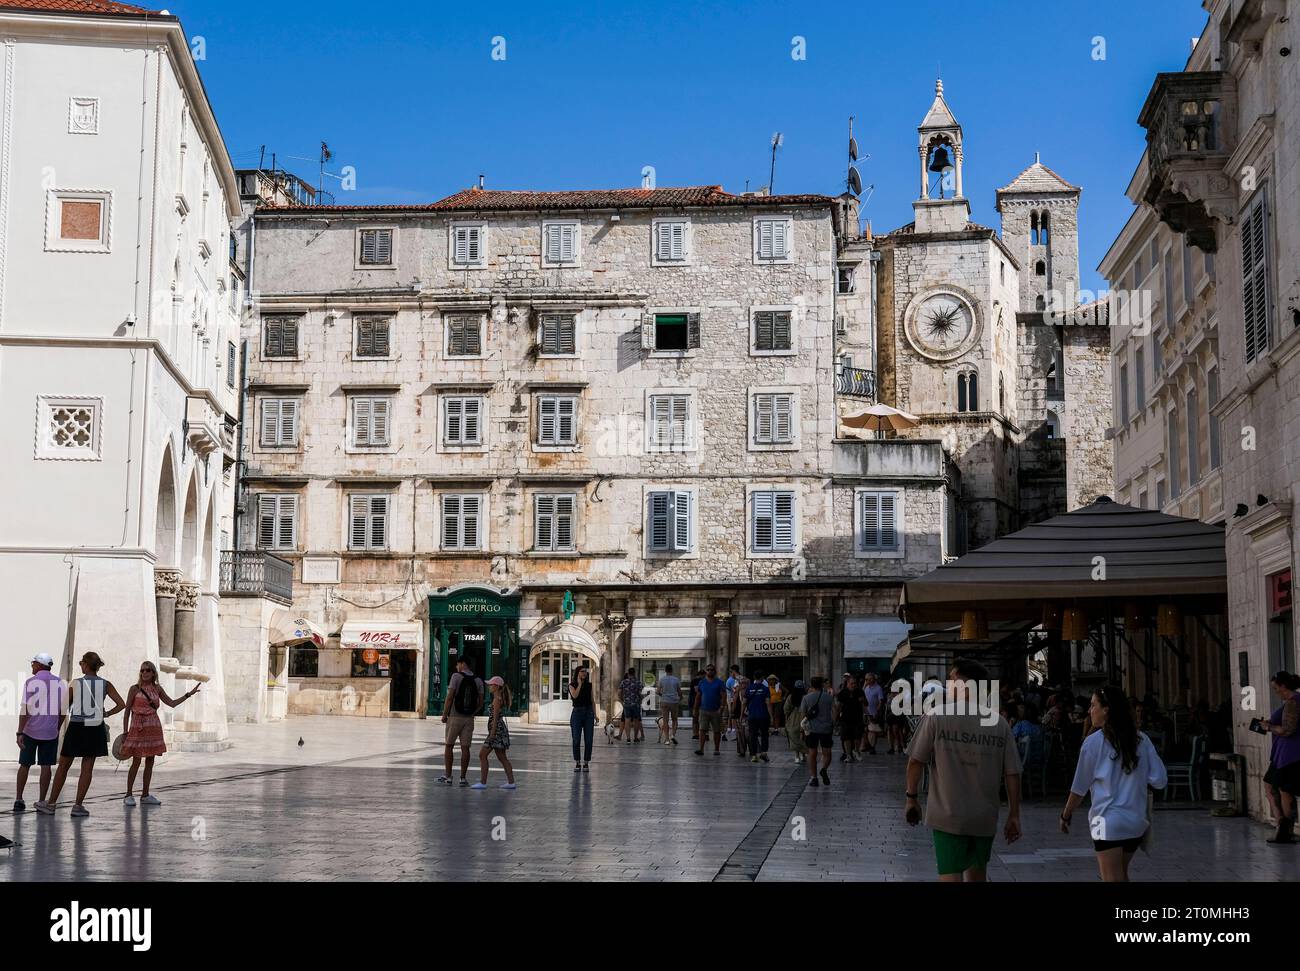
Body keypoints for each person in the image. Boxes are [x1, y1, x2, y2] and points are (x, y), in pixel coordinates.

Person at [905, 659, 1022, 882]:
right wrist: (1014, 814)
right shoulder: (999, 723)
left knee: (950, 876)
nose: (948, 683)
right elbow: (1012, 774)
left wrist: (911, 799)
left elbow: (915, 761)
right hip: (984, 817)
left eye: (951, 678)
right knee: (977, 877)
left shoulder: (936, 716)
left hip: (948, 815)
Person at [1060, 687, 1167, 881]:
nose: (1089, 710)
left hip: (1105, 822)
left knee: (1111, 878)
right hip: (1135, 823)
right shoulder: (1142, 740)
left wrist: (1066, 814)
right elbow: (1159, 780)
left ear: (1106, 710)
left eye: (1093, 705)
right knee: (1121, 875)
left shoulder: (1093, 743)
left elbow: (1079, 787)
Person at [42, 652, 126, 817]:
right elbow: (121, 704)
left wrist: (57, 728)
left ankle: (51, 803)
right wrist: (106, 714)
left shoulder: (76, 683)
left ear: (86, 665)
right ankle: (78, 805)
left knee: (64, 766)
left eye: (81, 662)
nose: (80, 665)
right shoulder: (105, 684)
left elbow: (64, 708)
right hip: (95, 727)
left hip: (77, 727)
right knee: (87, 768)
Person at [122, 660, 200, 807]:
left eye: (148, 670)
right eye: (142, 670)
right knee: (136, 761)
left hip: (153, 727)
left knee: (150, 761)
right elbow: (127, 712)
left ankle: (145, 794)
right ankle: (128, 794)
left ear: (153, 673)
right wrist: (125, 731)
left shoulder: (157, 689)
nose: (144, 673)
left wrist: (189, 694)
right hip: (137, 727)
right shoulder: (134, 689)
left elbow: (172, 703)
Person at [15, 652, 67, 814]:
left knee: (25, 764)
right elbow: (63, 710)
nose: (32, 665)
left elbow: (25, 709)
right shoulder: (60, 683)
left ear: (39, 665)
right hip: (50, 732)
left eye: (33, 663)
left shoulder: (31, 682)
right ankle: (42, 800)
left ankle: (19, 799)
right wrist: (57, 727)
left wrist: (20, 732)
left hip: (30, 730)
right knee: (46, 766)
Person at [1261, 671, 1300, 844]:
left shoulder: (1293, 702)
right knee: (1271, 785)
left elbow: (1287, 729)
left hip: (1289, 754)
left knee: (1285, 790)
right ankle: (1282, 826)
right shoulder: (1290, 702)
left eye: (1276, 687)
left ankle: (1285, 830)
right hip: (1282, 753)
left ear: (1283, 686)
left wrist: (1269, 727)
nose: (1275, 691)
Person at [439, 658, 483, 786]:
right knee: (465, 748)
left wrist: (445, 714)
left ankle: (448, 776)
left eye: (457, 664)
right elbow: (480, 703)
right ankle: (463, 778)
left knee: (449, 745)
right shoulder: (478, 680)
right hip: (469, 719)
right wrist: (472, 713)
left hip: (454, 716)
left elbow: (450, 697)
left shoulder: (456, 677)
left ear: (463, 664)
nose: (456, 666)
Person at [472, 676, 516, 790]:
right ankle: (511, 782)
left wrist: (492, 733)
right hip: (499, 730)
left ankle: (483, 782)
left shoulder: (497, 699)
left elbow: (496, 717)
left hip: (496, 731)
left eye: (491, 685)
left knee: (482, 754)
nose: (489, 687)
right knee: (502, 757)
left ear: (496, 686)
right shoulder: (498, 697)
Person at [801, 676, 834, 787]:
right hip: (826, 728)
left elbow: (803, 714)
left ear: (812, 685)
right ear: (822, 685)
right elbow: (835, 711)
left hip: (812, 729)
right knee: (827, 752)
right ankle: (824, 769)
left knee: (812, 753)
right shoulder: (829, 698)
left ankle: (814, 778)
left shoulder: (806, 698)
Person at [693, 664, 727, 756]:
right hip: (704, 710)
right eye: (708, 670)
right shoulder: (702, 682)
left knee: (716, 731)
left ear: (714, 671)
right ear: (706, 671)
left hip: (716, 710)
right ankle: (701, 749)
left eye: (712, 670)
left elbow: (724, 696)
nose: (710, 671)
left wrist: (722, 708)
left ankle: (716, 749)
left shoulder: (719, 682)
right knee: (702, 730)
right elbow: (698, 696)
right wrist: (695, 709)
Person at [569, 665, 597, 771]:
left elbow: (592, 700)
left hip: (588, 713)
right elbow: (575, 696)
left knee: (588, 740)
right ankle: (577, 762)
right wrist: (579, 684)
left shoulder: (589, 685)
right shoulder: (572, 685)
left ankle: (586, 763)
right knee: (576, 740)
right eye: (582, 671)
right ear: (577, 673)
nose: (584, 673)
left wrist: (595, 714)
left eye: (585, 671)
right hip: (577, 713)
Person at [836, 674, 865, 763]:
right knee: (846, 737)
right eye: (851, 683)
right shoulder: (842, 693)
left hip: (857, 717)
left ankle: (856, 751)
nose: (853, 685)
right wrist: (837, 717)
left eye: (855, 683)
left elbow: (864, 703)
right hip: (845, 718)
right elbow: (839, 706)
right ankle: (848, 755)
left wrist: (866, 714)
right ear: (848, 683)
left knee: (857, 737)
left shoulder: (859, 691)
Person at [745, 674, 772, 763]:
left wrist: (742, 715)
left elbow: (744, 703)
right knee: (764, 734)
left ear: (754, 678)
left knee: (753, 735)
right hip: (763, 716)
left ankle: (753, 756)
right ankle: (763, 752)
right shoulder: (765, 688)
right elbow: (768, 703)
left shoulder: (749, 688)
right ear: (762, 678)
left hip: (752, 716)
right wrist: (771, 716)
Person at [658, 664, 682, 745]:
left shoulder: (662, 679)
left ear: (665, 670)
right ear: (672, 670)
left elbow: (658, 691)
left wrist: (663, 695)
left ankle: (667, 739)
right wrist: (680, 697)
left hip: (664, 701)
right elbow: (679, 691)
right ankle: (673, 735)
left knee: (665, 721)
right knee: (674, 719)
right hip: (674, 702)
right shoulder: (676, 680)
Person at [862, 672, 885, 755]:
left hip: (873, 712)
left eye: (868, 679)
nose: (866, 680)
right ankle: (867, 745)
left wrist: (878, 711)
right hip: (865, 712)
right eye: (866, 679)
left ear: (872, 679)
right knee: (865, 730)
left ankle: (872, 747)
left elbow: (881, 701)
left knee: (872, 731)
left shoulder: (878, 688)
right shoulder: (866, 688)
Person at [785, 680, 808, 764]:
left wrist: (786, 721)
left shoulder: (791, 697)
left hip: (793, 719)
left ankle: (797, 756)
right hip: (804, 719)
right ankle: (803, 755)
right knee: (803, 737)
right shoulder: (806, 697)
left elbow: (786, 710)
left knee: (794, 738)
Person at [619, 669, 642, 745]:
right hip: (636, 704)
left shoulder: (624, 682)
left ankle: (628, 738)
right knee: (636, 721)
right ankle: (635, 738)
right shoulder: (638, 682)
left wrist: (623, 699)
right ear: (634, 673)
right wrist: (640, 699)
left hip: (626, 704)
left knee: (627, 721)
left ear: (628, 673)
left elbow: (619, 693)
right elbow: (640, 693)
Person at [886, 682, 910, 755]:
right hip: (891, 715)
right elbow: (888, 706)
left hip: (899, 715)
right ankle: (893, 747)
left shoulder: (902, 696)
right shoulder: (889, 695)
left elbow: (902, 706)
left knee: (897, 730)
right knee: (891, 730)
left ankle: (902, 746)